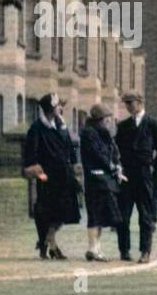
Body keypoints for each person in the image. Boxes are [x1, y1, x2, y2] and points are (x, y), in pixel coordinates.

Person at [22, 91, 81, 259]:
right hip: (47, 177)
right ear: (50, 109)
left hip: (65, 176)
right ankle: (50, 246)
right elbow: (31, 154)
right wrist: (38, 173)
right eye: (57, 106)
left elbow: (70, 147)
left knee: (65, 212)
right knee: (47, 212)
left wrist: (74, 165)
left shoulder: (61, 125)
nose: (60, 108)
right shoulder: (37, 128)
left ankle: (46, 242)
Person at [115, 91, 157, 263]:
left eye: (130, 102)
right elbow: (114, 148)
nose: (128, 106)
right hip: (127, 175)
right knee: (123, 215)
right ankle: (124, 251)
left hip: (146, 175)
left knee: (145, 215)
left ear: (140, 102)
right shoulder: (123, 126)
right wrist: (118, 167)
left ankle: (145, 251)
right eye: (126, 103)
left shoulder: (153, 124)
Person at [79, 103, 124, 261]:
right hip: (95, 179)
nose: (108, 122)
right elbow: (99, 155)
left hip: (104, 180)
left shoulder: (104, 134)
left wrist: (117, 166)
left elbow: (113, 153)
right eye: (106, 119)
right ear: (99, 119)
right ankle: (93, 248)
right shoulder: (89, 134)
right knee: (95, 214)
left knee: (100, 215)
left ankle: (96, 248)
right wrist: (112, 168)